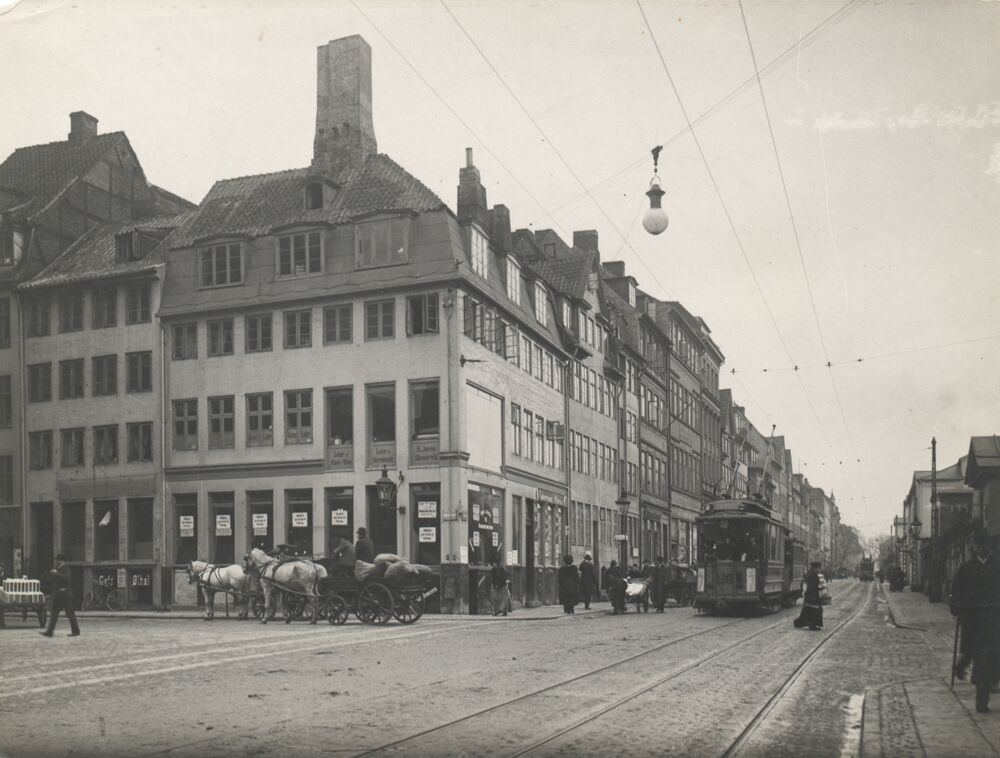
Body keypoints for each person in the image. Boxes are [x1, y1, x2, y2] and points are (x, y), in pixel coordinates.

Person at [959, 531, 1000, 713]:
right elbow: (956, 590)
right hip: (975, 620)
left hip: (995, 619)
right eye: (978, 546)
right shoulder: (967, 568)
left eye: (984, 546)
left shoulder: (997, 567)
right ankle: (981, 700)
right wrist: (957, 605)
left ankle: (988, 682)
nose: (981, 549)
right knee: (980, 658)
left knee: (993, 657)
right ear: (974, 547)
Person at [40, 554, 80, 638]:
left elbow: (66, 578)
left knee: (70, 614)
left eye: (58, 560)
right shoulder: (58, 569)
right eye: (57, 560)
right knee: (54, 615)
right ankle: (49, 631)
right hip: (58, 596)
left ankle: (76, 631)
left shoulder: (66, 568)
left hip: (65, 595)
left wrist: (55, 574)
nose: (57, 562)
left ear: (62, 561)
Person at [793, 561, 824, 631]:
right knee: (813, 610)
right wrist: (813, 596)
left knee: (809, 610)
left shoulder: (813, 574)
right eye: (818, 568)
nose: (819, 569)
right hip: (812, 596)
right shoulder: (812, 575)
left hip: (812, 595)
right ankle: (812, 625)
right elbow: (811, 586)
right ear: (815, 568)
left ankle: (805, 623)